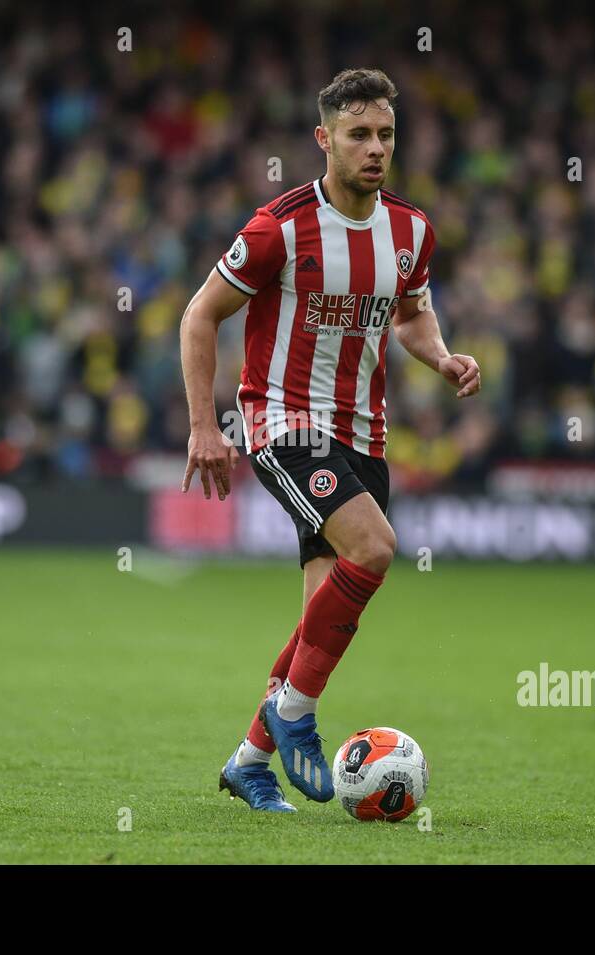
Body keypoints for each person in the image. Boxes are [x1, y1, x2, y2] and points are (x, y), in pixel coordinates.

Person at [180, 69, 481, 811]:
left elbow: (410, 313)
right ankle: (293, 716)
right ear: (324, 140)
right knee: (375, 548)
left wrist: (440, 355)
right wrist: (202, 426)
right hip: (282, 420)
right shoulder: (279, 227)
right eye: (358, 135)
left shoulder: (411, 230)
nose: (375, 148)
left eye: (384, 135)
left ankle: (250, 761)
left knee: (320, 614)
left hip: (363, 435)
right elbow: (199, 316)